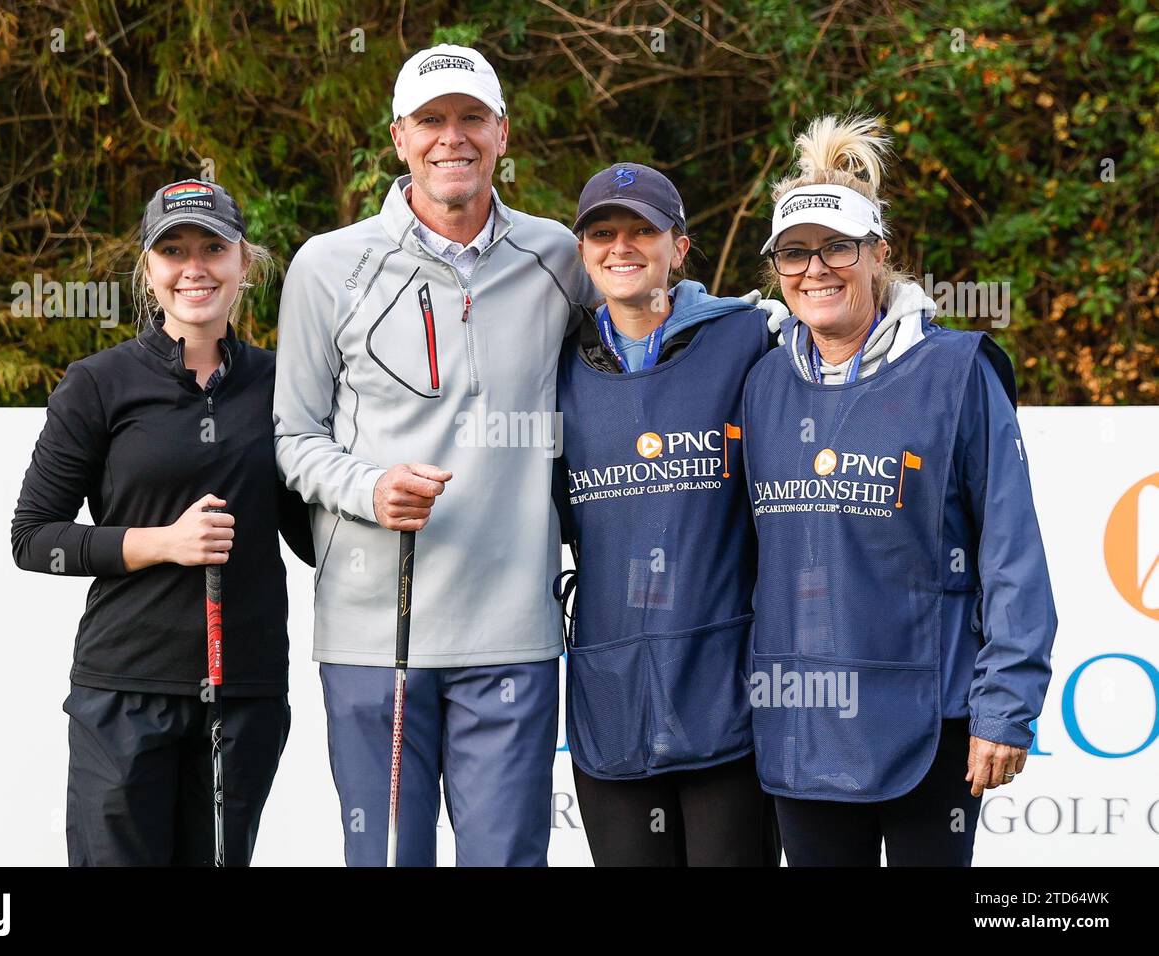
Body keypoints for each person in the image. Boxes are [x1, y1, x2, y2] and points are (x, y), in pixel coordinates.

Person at [273, 45, 596, 867]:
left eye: (470, 119)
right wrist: (368, 486)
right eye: (430, 121)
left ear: (501, 133)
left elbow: (644, 296)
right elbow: (293, 436)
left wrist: (763, 321)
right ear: (399, 138)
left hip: (513, 632)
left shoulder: (558, 255)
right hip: (372, 636)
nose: (451, 138)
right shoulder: (327, 264)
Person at [741, 115, 1057, 866]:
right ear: (776, 269)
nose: (815, 269)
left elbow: (1012, 553)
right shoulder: (759, 385)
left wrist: (1004, 709)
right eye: (794, 253)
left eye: (837, 248)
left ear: (879, 254)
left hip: (934, 715)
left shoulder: (957, 372)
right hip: (801, 717)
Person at [11, 179, 314, 866]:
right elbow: (33, 537)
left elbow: (311, 534)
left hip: (243, 693)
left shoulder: (285, 382)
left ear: (244, 263)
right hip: (123, 690)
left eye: (213, 247)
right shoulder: (98, 383)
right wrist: (163, 544)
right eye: (173, 251)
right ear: (149, 271)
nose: (194, 267)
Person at [553, 163, 784, 866]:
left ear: (678, 248)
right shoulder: (554, 364)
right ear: (583, 251)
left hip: (728, 696)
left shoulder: (748, 338)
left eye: (642, 230)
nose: (621, 247)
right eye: (602, 233)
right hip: (610, 697)